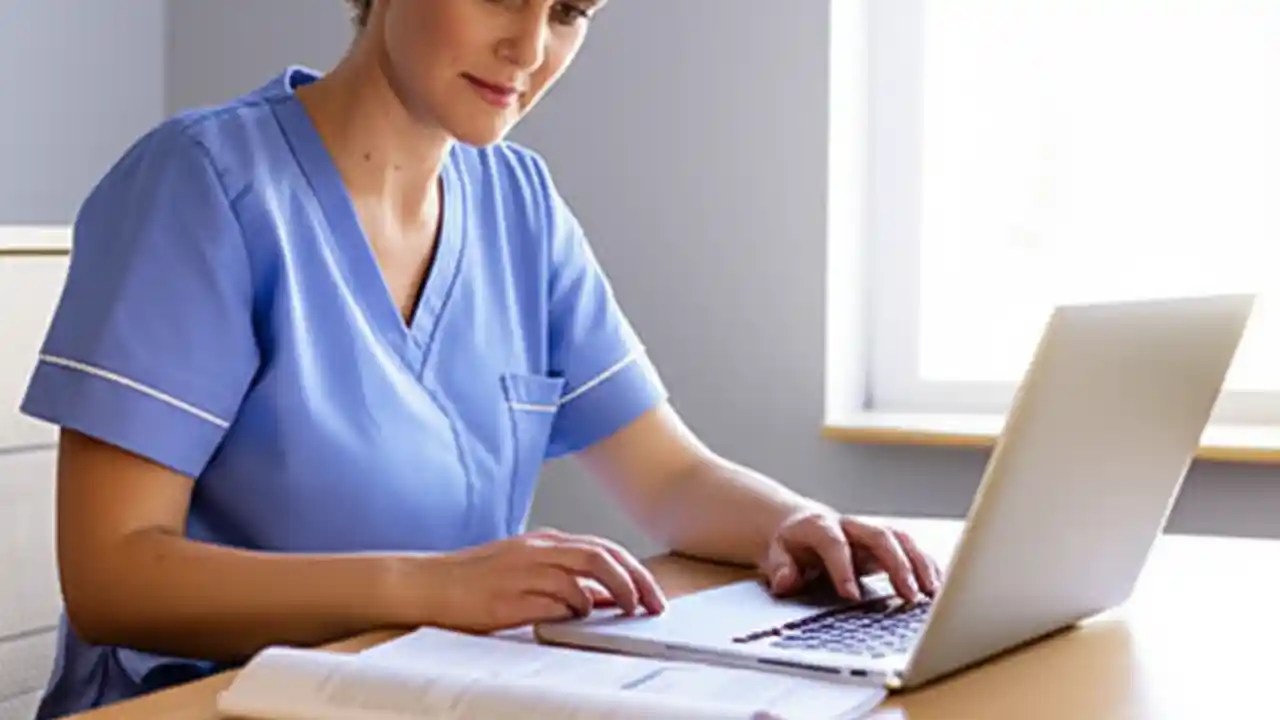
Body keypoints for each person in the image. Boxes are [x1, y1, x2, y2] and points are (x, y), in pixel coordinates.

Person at [20, 0, 942, 716]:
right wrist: (430, 586)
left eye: (570, 12)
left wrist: (794, 524)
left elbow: (668, 476)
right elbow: (113, 577)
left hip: (419, 697)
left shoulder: (518, 204)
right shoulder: (204, 185)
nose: (531, 49)